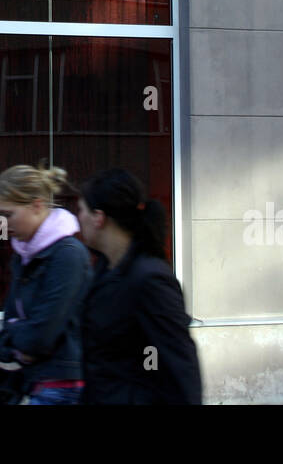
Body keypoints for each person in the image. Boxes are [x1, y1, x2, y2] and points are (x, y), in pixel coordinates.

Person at [76, 168, 202, 404]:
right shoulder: (104, 269)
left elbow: (181, 364)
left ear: (98, 217)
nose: (78, 218)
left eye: (81, 210)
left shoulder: (149, 278)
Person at [0, 163, 92, 405]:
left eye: (9, 214)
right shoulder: (25, 255)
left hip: (66, 386)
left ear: (37, 205)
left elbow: (39, 336)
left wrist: (19, 336)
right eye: (0, 216)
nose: (4, 224)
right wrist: (19, 338)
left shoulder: (67, 255)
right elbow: (9, 326)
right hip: (41, 382)